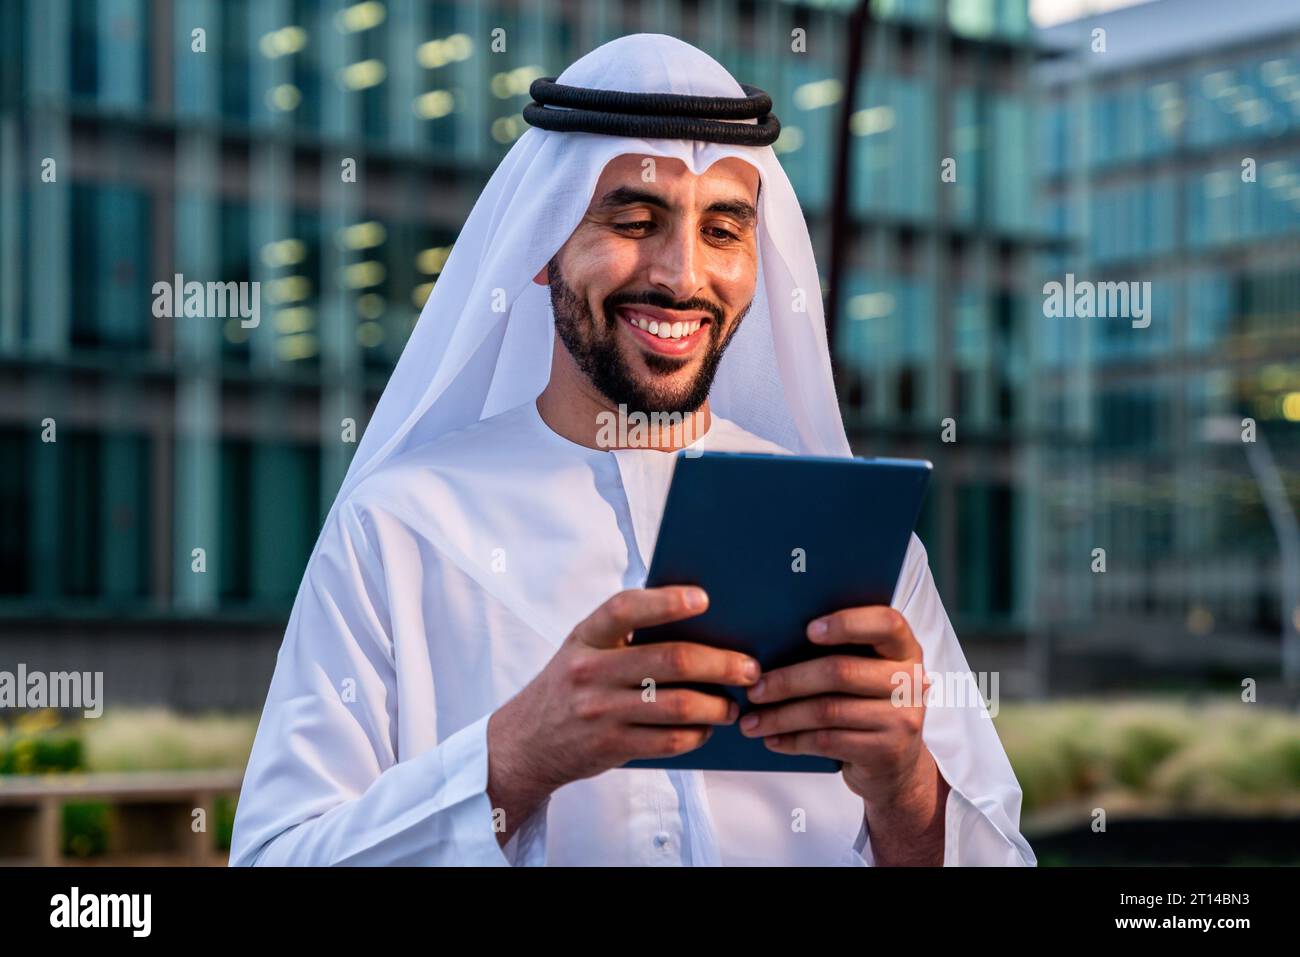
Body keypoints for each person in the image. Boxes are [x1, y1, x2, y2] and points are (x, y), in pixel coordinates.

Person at [229, 33, 1036, 867]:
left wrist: (904, 781)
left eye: (724, 229)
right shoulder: (398, 527)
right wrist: (512, 759)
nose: (683, 277)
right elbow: (276, 855)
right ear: (542, 248)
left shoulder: (857, 547)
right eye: (634, 219)